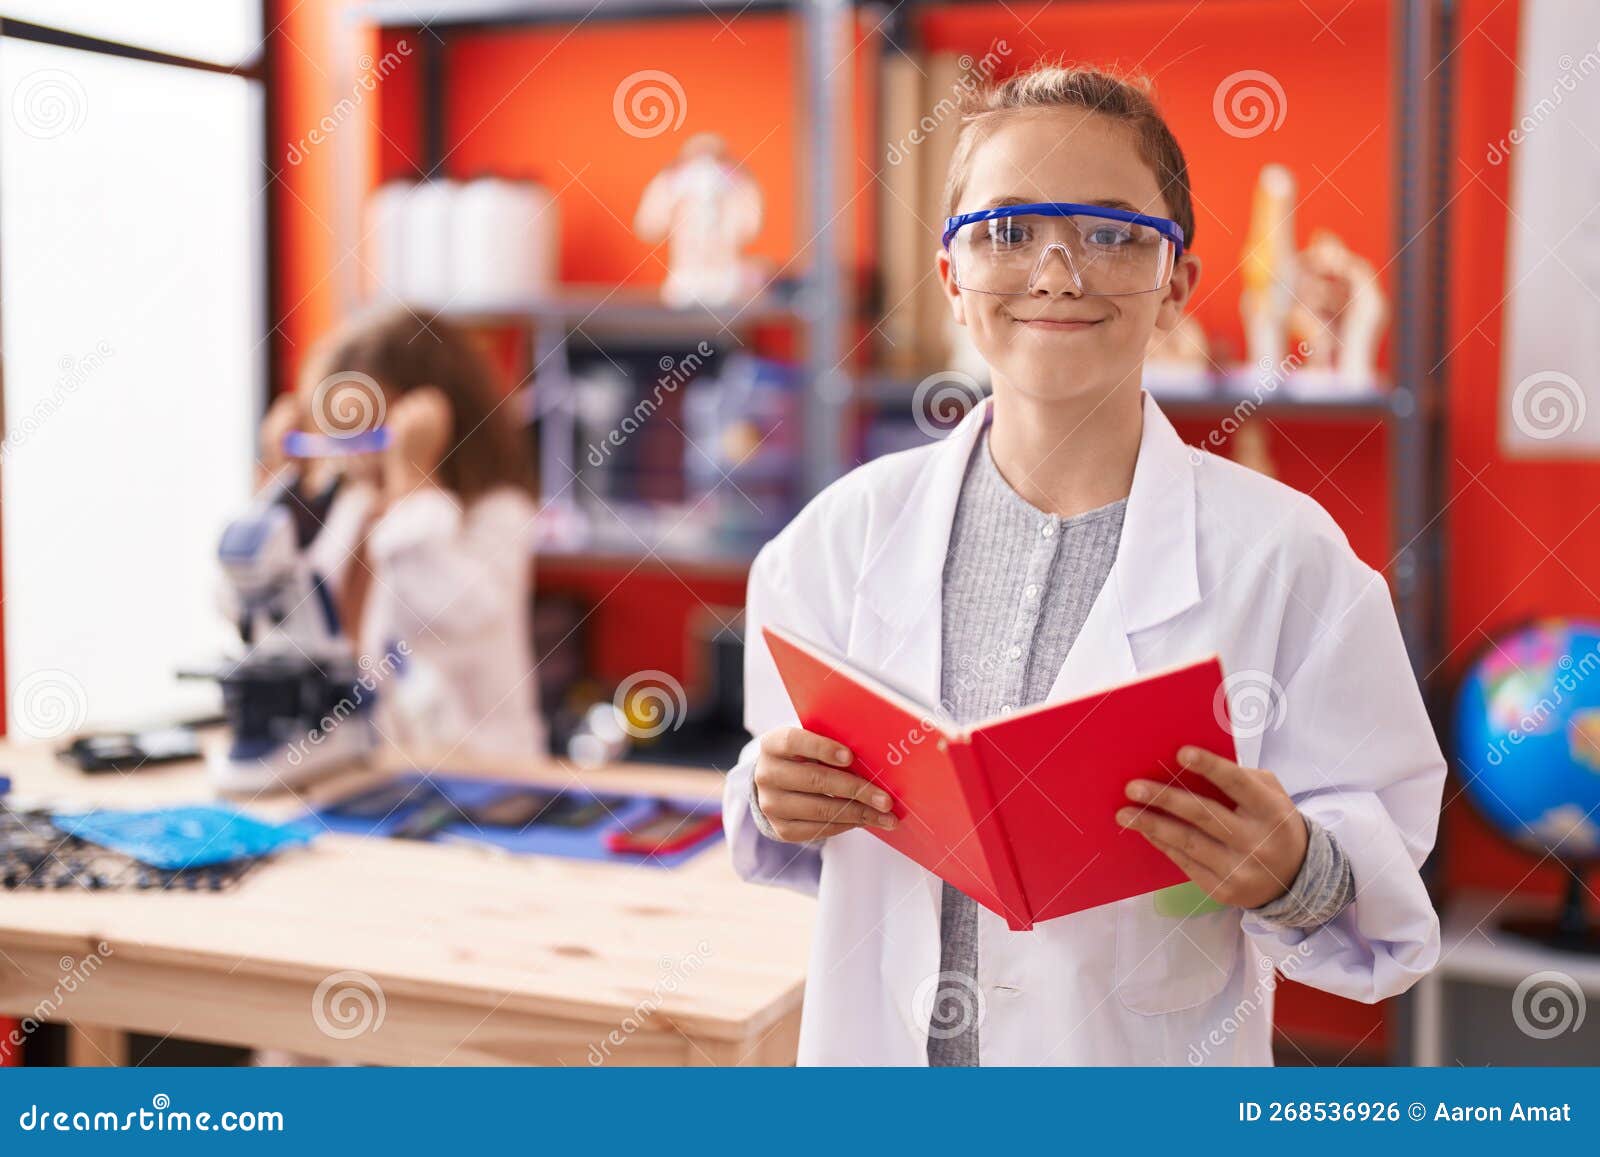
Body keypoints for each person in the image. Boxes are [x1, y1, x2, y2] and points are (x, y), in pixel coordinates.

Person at [721, 63, 1445, 1066]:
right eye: (1008, 231)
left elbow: (1384, 885)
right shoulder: (834, 542)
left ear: (1176, 280)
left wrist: (1295, 871)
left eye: (1109, 232)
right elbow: (783, 810)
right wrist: (769, 794)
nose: (1057, 272)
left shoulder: (1289, 561)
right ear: (951, 276)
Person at [258, 307, 546, 762]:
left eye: (365, 428)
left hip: (483, 776)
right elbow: (275, 619)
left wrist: (413, 480)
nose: (350, 456)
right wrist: (286, 487)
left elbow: (446, 618)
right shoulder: (354, 508)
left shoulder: (499, 513)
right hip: (373, 768)